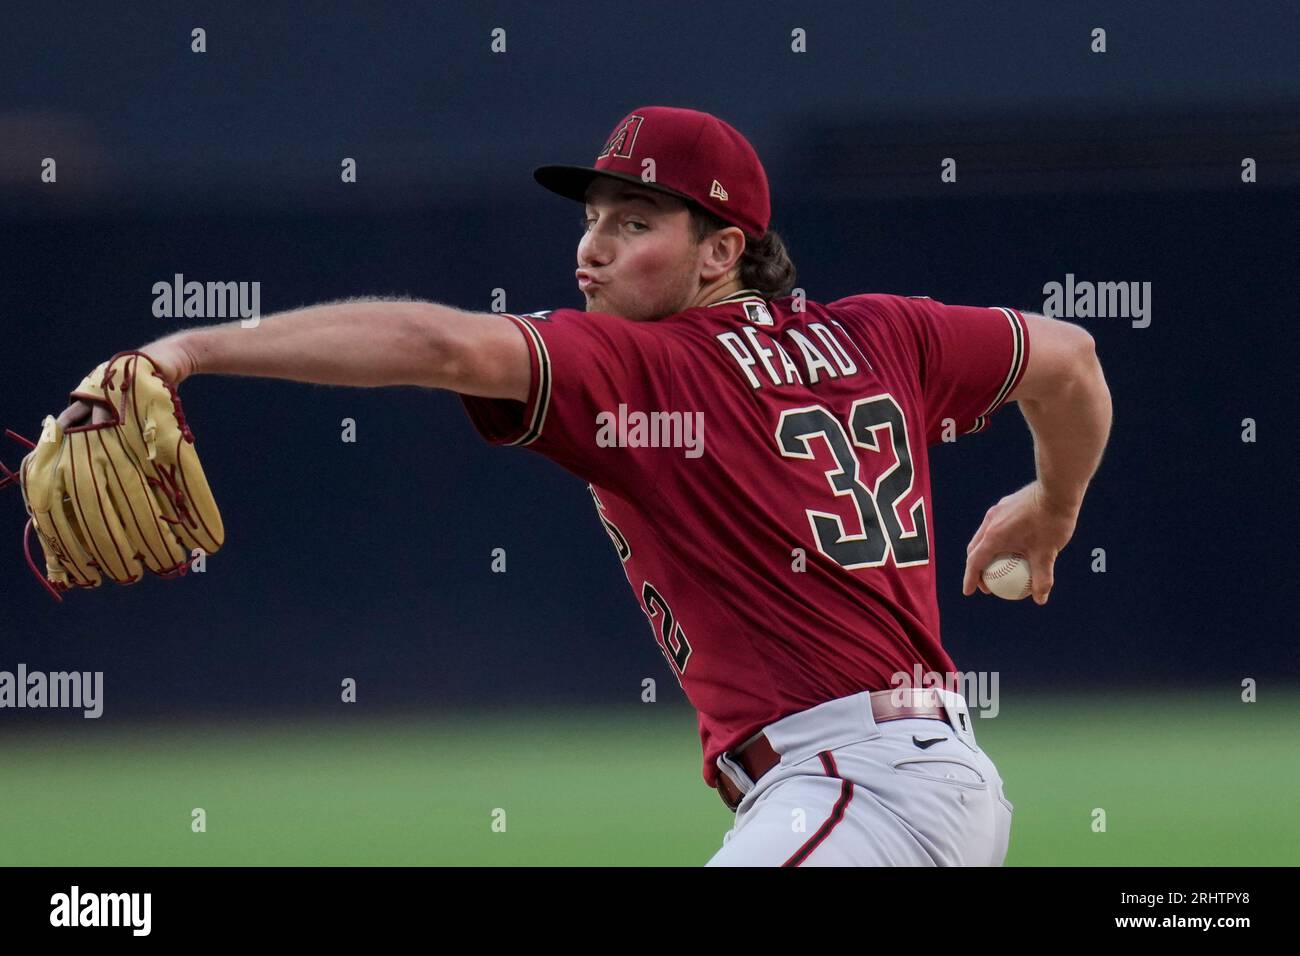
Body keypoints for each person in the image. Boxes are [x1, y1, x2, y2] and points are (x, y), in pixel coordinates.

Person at [70, 106, 1112, 865]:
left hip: (857, 792)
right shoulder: (886, 332)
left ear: (724, 250)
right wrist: (1053, 504)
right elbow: (1067, 357)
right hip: (906, 783)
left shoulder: (656, 366)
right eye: (593, 217)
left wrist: (189, 348)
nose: (591, 249)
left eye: (632, 223)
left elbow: (435, 342)